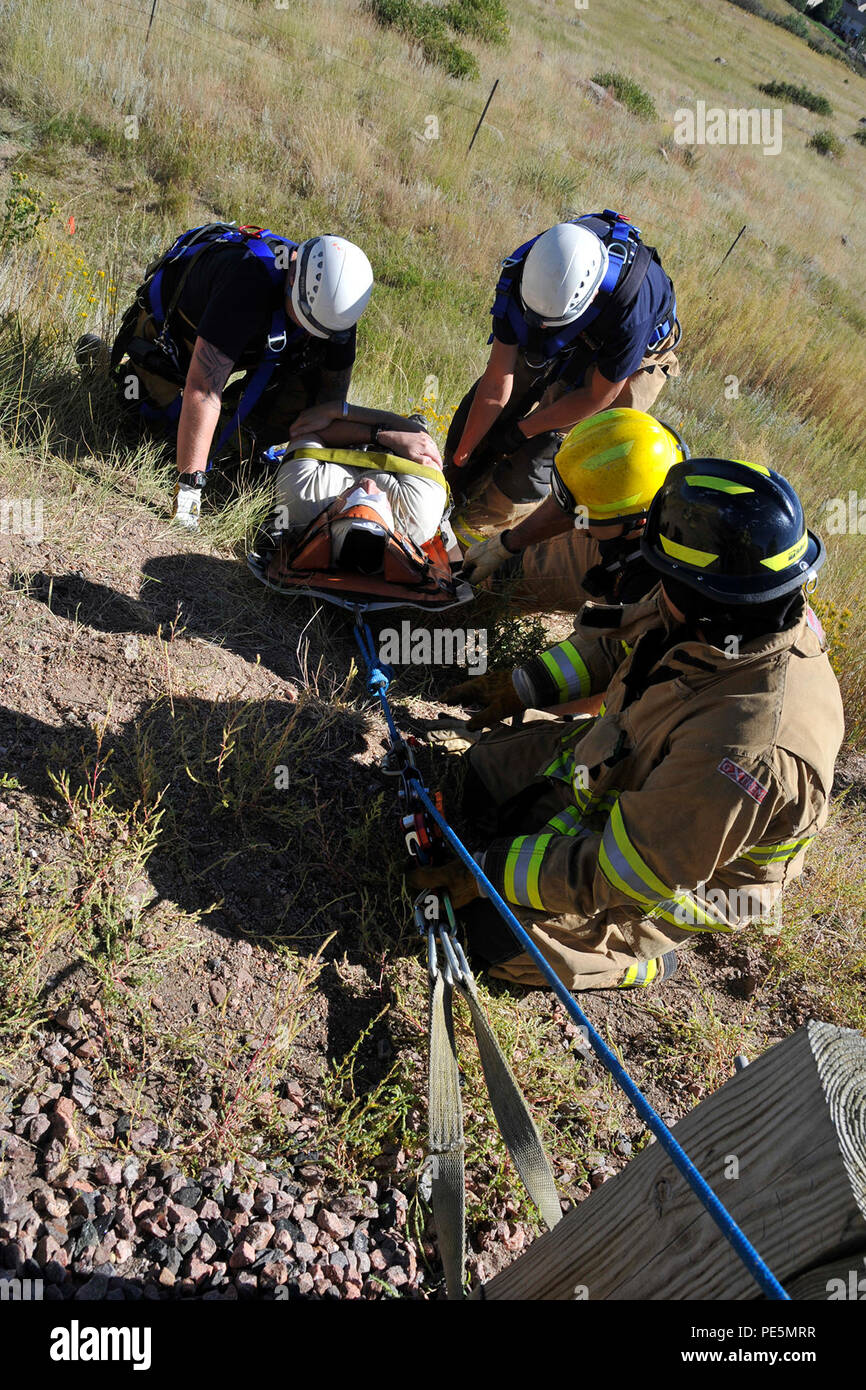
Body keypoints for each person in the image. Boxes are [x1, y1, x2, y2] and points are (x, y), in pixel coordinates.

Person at [412, 459, 844, 993]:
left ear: (703, 596)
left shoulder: (747, 749)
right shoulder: (731, 607)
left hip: (675, 874)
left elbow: (625, 870)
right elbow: (625, 637)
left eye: (663, 577)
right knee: (481, 772)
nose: (652, 586)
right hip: (632, 763)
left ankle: (639, 959)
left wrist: (481, 871)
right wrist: (519, 688)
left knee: (492, 938)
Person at [95, 225, 375, 529]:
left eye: (316, 330)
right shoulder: (246, 282)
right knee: (143, 417)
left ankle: (232, 449)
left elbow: (331, 402)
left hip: (256, 343)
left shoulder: (335, 311)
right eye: (305, 322)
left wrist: (320, 477)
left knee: (301, 397)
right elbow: (204, 389)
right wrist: (189, 488)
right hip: (180, 328)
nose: (309, 333)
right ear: (293, 279)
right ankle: (100, 362)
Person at [443, 211, 680, 543]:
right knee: (490, 414)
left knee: (554, 448)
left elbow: (597, 397)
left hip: (636, 354)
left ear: (589, 298)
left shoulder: (631, 311)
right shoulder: (526, 274)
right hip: (556, 312)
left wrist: (523, 433)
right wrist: (461, 455)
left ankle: (473, 539)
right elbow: (497, 382)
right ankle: (452, 489)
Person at [460, 407, 687, 614]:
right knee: (516, 572)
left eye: (587, 516)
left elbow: (606, 653)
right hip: (621, 544)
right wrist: (504, 546)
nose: (579, 525)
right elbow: (574, 500)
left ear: (639, 521)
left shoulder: (658, 594)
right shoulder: (634, 489)